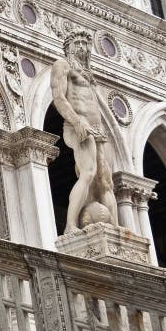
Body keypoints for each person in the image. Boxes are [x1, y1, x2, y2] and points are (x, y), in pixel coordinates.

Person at [50, 29, 119, 234]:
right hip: (77, 126)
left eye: (85, 43)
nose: (81, 47)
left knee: (105, 181)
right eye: (77, 43)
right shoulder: (62, 65)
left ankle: (115, 227)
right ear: (68, 48)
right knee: (88, 173)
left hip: (97, 129)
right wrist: (77, 121)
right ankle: (70, 225)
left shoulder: (88, 74)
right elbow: (59, 98)